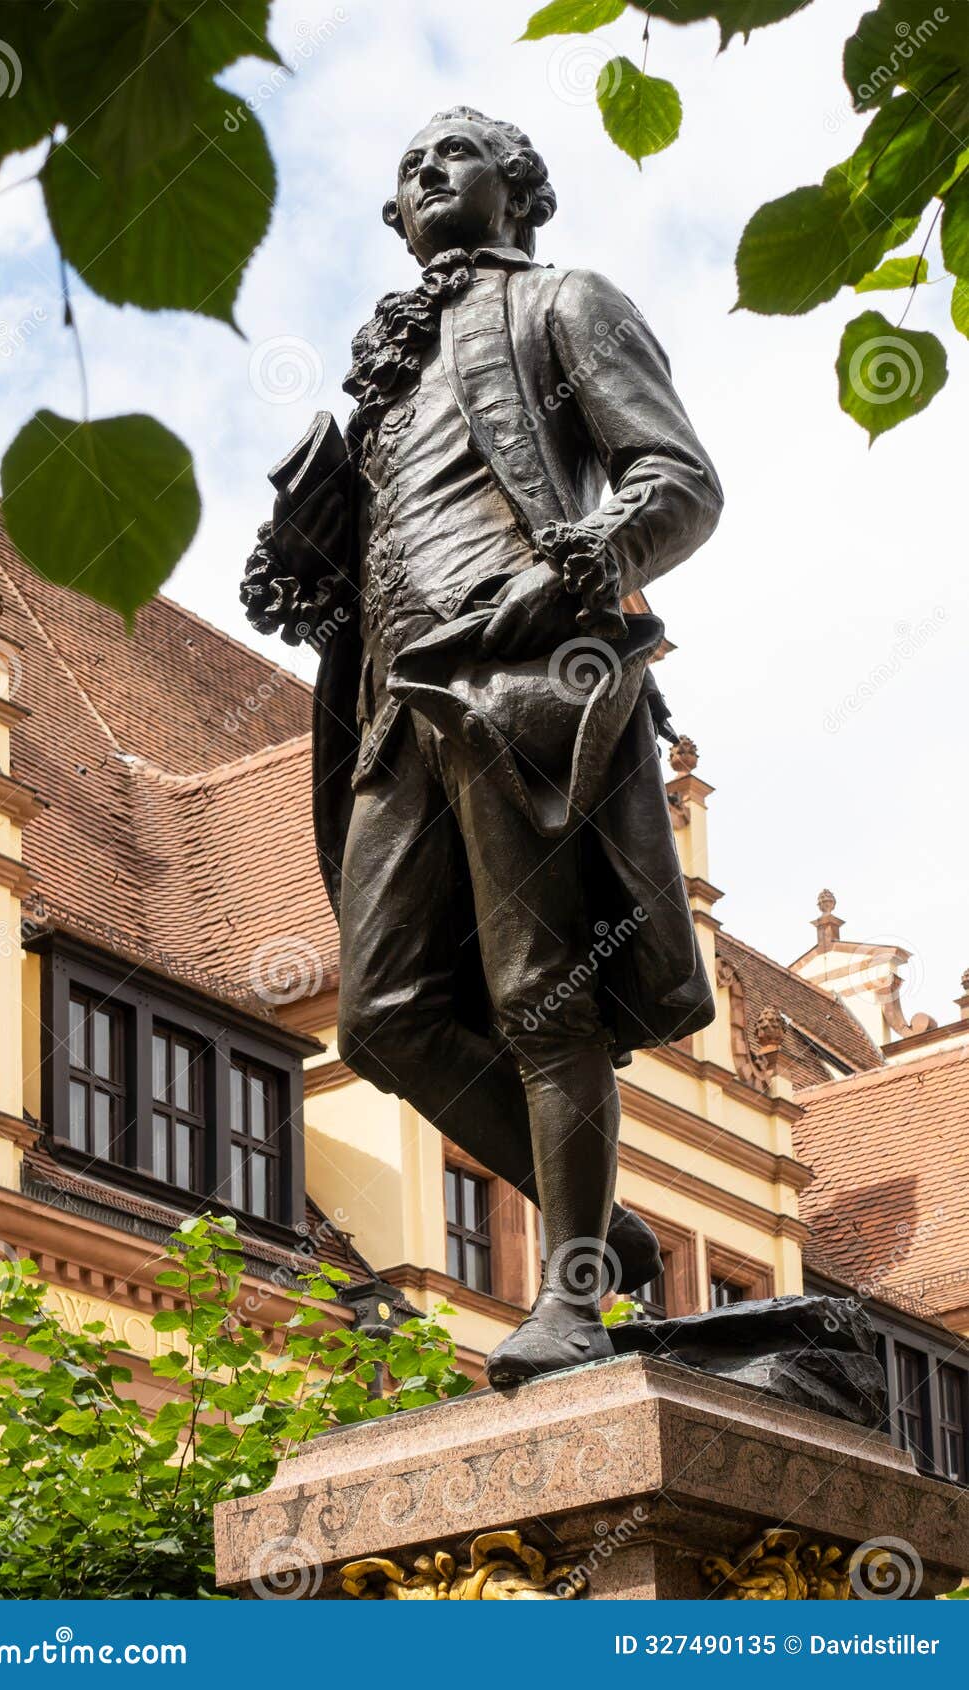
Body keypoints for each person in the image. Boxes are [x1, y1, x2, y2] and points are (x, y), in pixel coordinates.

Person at [242, 106, 723, 1383]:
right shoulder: (388, 378)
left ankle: (569, 1297)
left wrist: (575, 564)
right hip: (396, 701)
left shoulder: (565, 304)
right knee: (386, 1015)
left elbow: (675, 481)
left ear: (518, 189)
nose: (419, 178)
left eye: (448, 154)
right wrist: (314, 552)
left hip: (513, 678)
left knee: (540, 993)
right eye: (403, 170)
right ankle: (597, 1221)